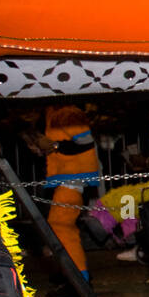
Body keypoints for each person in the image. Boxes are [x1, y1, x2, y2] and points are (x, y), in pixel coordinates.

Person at [19, 105, 101, 286]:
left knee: (62, 226)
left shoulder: (66, 112)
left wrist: (54, 146)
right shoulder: (52, 113)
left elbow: (86, 141)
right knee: (61, 227)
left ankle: (78, 279)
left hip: (74, 178)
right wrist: (45, 148)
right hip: (67, 178)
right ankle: (73, 275)